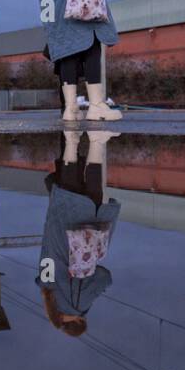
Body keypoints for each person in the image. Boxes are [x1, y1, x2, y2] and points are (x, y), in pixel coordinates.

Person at [35, 130, 121, 336]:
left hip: (85, 230)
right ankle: (71, 127)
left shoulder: (77, 304)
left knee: (93, 186)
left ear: (80, 320)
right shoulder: (47, 289)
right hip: (59, 222)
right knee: (69, 178)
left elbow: (104, 277)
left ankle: (96, 137)